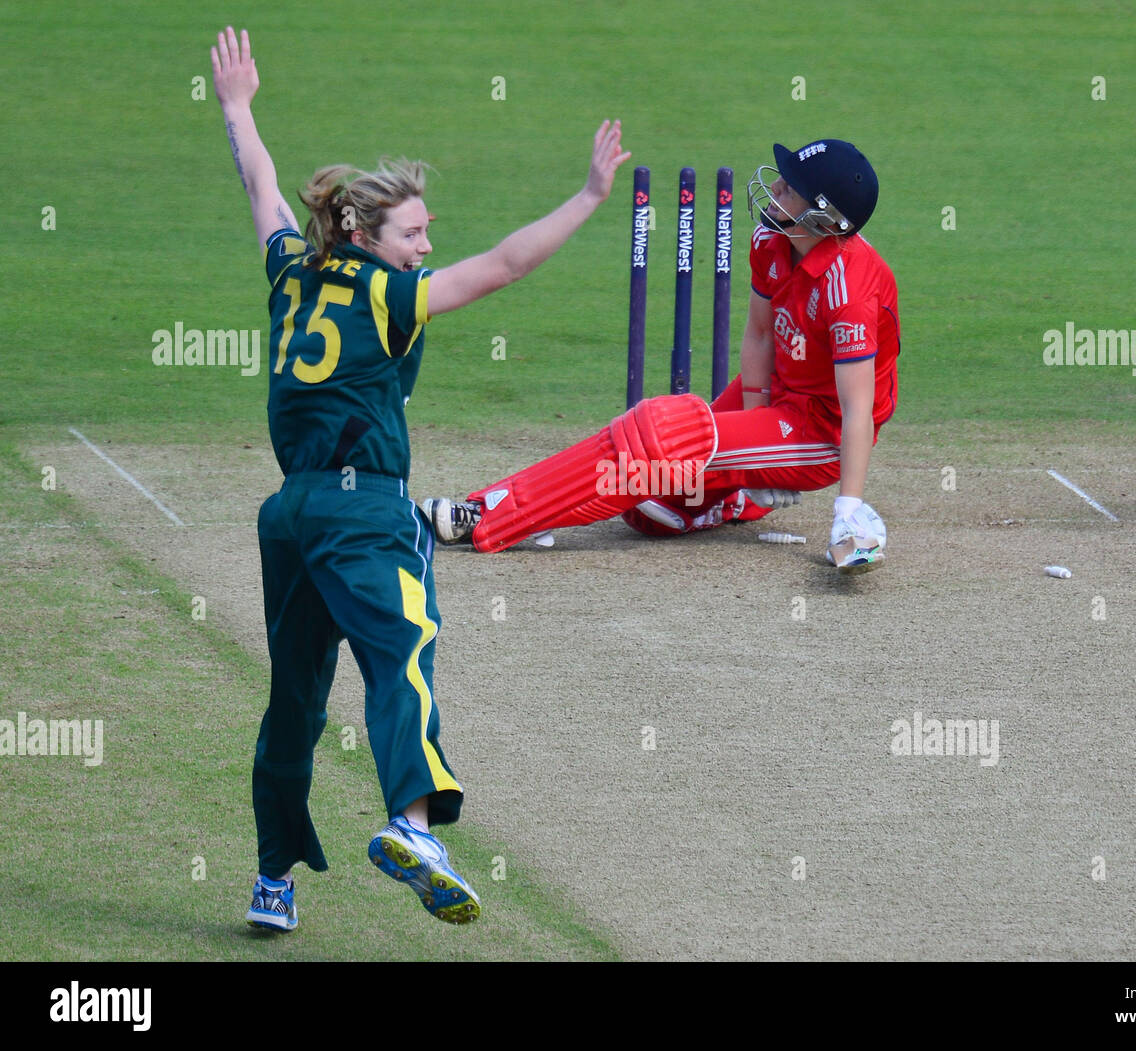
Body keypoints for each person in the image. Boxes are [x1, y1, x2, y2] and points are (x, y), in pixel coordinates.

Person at [211, 25, 630, 930]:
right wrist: (589, 196)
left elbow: (261, 187)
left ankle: (271, 881)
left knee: (294, 703)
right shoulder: (387, 292)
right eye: (414, 232)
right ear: (364, 232)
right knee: (405, 654)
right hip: (367, 513)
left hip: (288, 516)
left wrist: (239, 108)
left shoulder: (293, 270)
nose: (426, 246)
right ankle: (412, 824)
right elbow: (510, 264)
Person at [429, 138, 898, 572]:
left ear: (822, 218)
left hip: (823, 430)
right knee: (651, 510)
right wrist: (756, 439)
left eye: (790, 187)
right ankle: (730, 501)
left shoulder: (849, 289)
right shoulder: (770, 241)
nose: (774, 188)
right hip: (782, 389)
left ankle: (494, 512)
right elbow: (759, 336)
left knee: (663, 435)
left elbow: (857, 411)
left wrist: (848, 509)